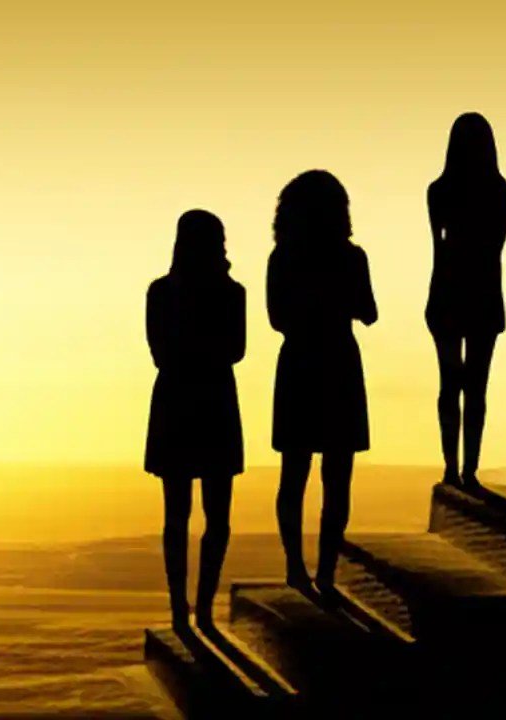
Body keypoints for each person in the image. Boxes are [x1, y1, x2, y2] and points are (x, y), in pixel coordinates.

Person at [267, 170, 377, 597]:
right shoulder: (352, 258)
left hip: (298, 363)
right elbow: (369, 312)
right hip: (338, 363)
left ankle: (296, 568)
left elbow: (277, 318)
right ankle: (326, 573)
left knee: (293, 475)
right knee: (337, 477)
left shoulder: (282, 258)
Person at [145, 209, 246, 631]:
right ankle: (199, 607)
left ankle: (183, 607)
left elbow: (160, 351)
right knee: (213, 516)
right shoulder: (230, 292)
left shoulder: (162, 291)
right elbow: (235, 350)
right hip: (214, 400)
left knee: (178, 515)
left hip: (177, 400)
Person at [426, 112, 506, 491]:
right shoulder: (502, 192)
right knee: (476, 386)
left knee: (450, 384)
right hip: (483, 293)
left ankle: (451, 467)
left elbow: (437, 249)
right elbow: (495, 248)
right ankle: (469, 469)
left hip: (447, 291)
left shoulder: (439, 190)